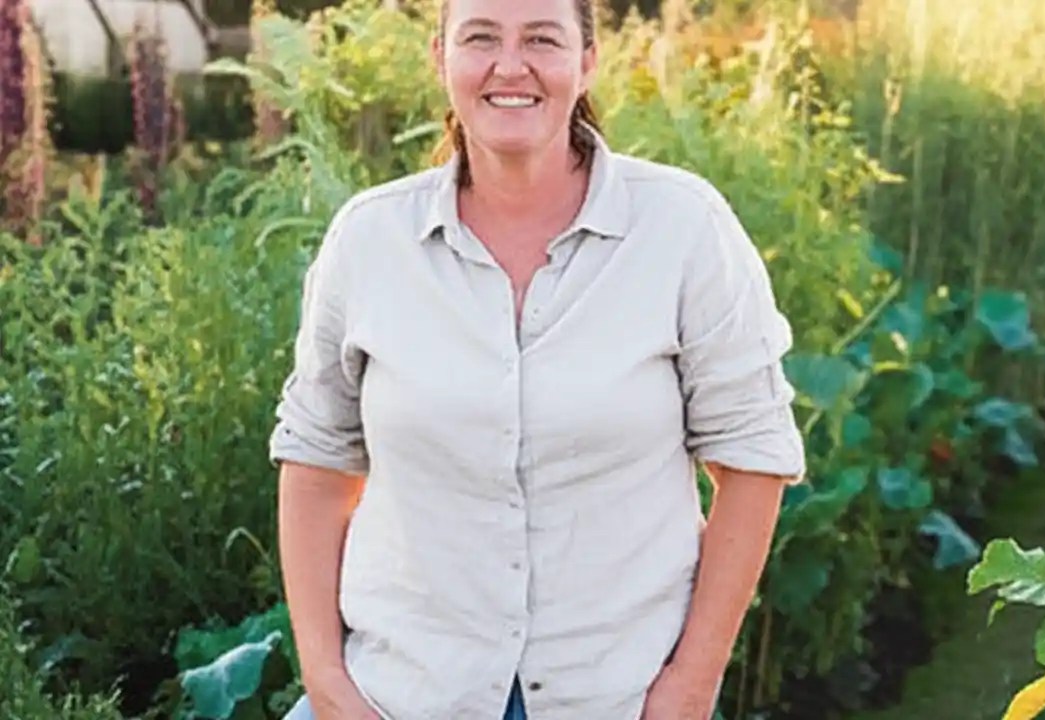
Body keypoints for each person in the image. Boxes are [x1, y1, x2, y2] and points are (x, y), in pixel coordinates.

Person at [269, 0, 806, 718]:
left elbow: (753, 458)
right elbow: (316, 462)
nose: (510, 66)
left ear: (587, 61)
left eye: (542, 40)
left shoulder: (683, 230)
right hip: (398, 695)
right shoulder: (370, 241)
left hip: (617, 697)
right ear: (441, 58)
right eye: (480, 38)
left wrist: (689, 686)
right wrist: (328, 686)